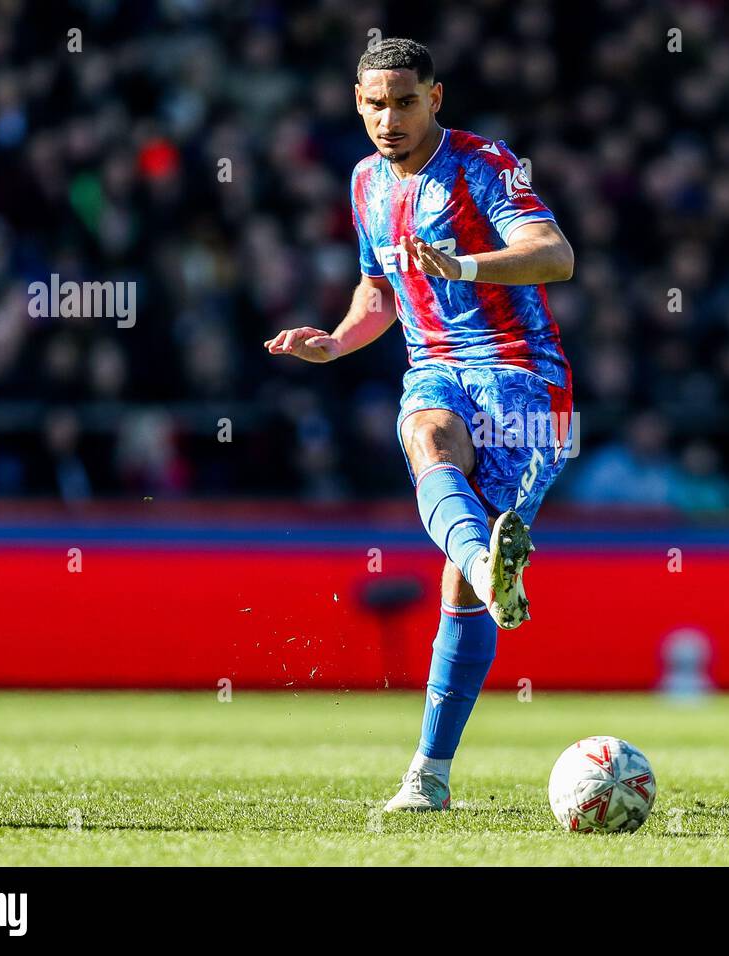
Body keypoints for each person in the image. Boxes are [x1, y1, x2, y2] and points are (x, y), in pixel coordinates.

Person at [264, 38, 575, 812]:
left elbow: (555, 254)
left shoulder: (485, 164)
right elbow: (380, 294)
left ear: (435, 99)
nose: (388, 118)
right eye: (375, 103)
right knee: (425, 436)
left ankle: (430, 773)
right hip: (436, 368)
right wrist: (334, 342)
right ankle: (483, 566)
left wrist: (464, 265)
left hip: (523, 381)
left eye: (405, 102)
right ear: (357, 102)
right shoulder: (366, 181)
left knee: (459, 586)